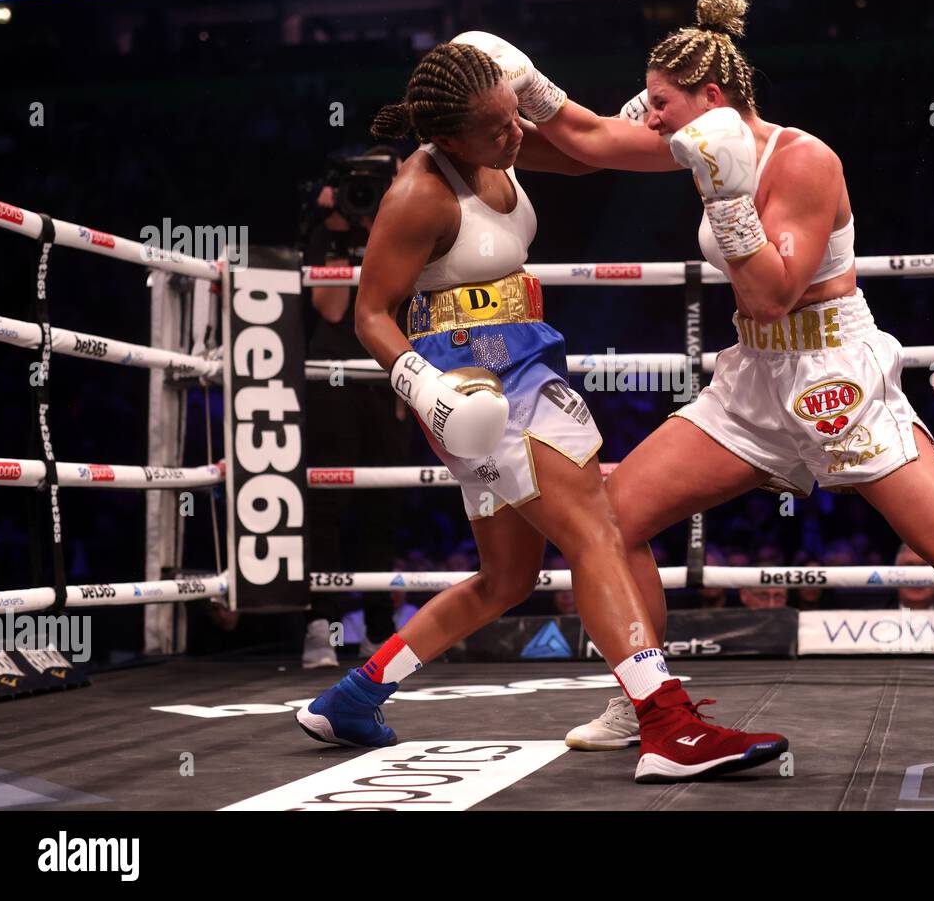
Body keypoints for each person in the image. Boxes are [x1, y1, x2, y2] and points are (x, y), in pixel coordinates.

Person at [468, 0, 934, 762]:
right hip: (753, 374)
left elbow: (772, 288)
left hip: (835, 372)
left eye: (659, 104)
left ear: (711, 99)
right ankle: (647, 696)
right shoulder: (690, 137)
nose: (646, 119)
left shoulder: (804, 160)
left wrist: (727, 197)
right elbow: (586, 141)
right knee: (614, 523)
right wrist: (525, 86)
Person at [296, 40, 787, 783]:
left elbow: (588, 154)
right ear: (449, 138)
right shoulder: (417, 193)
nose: (514, 134)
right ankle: (666, 724)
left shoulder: (504, 139)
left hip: (524, 356)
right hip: (473, 375)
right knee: (600, 527)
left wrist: (568, 103)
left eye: (511, 116)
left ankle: (355, 696)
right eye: (496, 129)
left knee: (508, 577)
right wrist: (425, 389)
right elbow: (370, 313)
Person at [301, 146, 410, 668]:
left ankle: (379, 632)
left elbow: (404, 306)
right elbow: (332, 306)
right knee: (327, 504)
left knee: (383, 505)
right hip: (332, 379)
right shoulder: (329, 231)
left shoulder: (406, 228)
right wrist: (342, 230)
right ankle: (320, 627)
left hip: (384, 375)